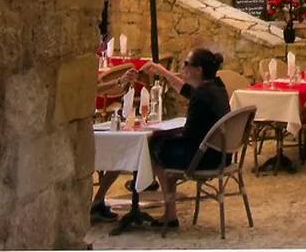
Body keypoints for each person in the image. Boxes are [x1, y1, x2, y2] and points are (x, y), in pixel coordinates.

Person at [93, 47, 230, 228]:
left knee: (154, 148)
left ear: (198, 70)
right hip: (222, 155)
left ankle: (170, 214)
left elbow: (189, 134)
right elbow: (187, 91)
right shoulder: (217, 88)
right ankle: (102, 200)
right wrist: (161, 71)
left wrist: (165, 135)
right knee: (150, 144)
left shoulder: (201, 96)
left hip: (203, 158)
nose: (182, 67)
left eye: (186, 64)